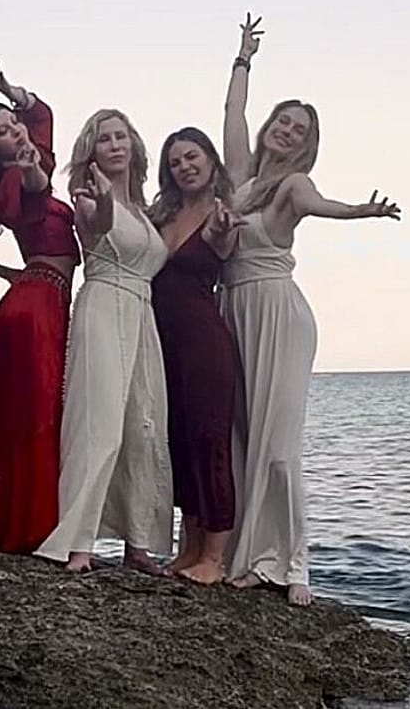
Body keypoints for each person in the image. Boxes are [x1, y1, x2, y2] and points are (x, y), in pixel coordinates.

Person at [222, 14, 402, 605]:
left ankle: (294, 564)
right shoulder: (241, 178)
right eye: (282, 122)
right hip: (235, 311)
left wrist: (363, 212)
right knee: (241, 438)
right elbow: (232, 116)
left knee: (278, 446)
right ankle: (249, 559)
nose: (286, 132)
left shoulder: (293, 186)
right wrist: (243, 59)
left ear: (307, 144)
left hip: (279, 315)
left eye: (298, 130)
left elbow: (325, 205)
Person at [34, 109, 174, 573]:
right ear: (91, 152)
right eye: (104, 139)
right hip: (103, 305)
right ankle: (78, 542)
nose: (114, 145)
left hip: (142, 313)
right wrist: (107, 201)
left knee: (142, 427)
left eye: (120, 137)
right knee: (100, 427)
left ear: (132, 144)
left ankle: (137, 544)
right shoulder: (88, 196)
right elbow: (97, 224)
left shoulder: (144, 210)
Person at [0, 61, 78, 554]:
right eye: (5, 134)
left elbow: (42, 112)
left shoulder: (36, 156)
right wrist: (28, 166)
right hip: (35, 313)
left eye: (15, 126)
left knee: (33, 413)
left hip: (37, 294)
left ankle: (31, 524)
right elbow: (33, 190)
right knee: (37, 416)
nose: (18, 134)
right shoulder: (15, 180)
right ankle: (32, 531)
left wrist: (7, 91)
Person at [149, 127, 245, 584]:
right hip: (163, 343)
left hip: (205, 342)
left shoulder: (220, 213)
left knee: (210, 442)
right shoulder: (162, 213)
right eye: (175, 162)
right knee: (179, 443)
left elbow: (224, 247)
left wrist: (222, 234)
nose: (184, 167)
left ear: (209, 160)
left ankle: (215, 557)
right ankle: (189, 549)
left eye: (192, 157)